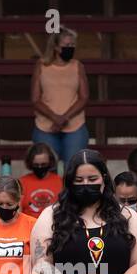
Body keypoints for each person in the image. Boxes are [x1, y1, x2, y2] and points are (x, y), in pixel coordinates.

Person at [31, 27, 89, 169]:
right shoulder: (42, 65)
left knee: (74, 169)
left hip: (75, 125)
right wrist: (55, 117)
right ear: (56, 47)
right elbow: (35, 99)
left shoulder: (77, 66)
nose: (70, 48)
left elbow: (84, 97)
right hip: (45, 126)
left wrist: (64, 118)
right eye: (66, 45)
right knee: (47, 169)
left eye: (72, 45)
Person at [18, 142, 62, 218]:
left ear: (50, 162)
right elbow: (18, 211)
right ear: (30, 163)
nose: (40, 167)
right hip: (29, 226)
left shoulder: (60, 181)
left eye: (43, 164)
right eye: (36, 165)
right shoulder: (22, 182)